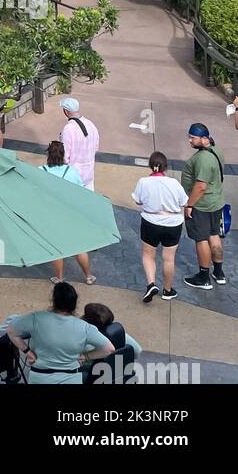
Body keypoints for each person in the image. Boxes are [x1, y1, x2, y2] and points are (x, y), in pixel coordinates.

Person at [5, 281, 114, 384]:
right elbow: (109, 349)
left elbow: (11, 331)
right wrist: (85, 356)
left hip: (40, 377)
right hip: (71, 378)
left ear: (54, 300)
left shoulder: (36, 318)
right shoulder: (85, 327)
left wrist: (28, 352)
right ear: (74, 303)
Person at [132, 151, 188, 302]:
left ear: (151, 166)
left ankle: (151, 284)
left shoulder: (143, 182)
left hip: (150, 222)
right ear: (165, 167)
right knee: (168, 259)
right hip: (172, 223)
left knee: (148, 255)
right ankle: (168, 290)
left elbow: (138, 200)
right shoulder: (174, 183)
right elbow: (184, 202)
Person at [38, 140, 95, 284]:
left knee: (57, 249)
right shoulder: (72, 171)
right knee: (78, 247)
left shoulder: (40, 171)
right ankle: (88, 276)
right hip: (70, 215)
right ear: (63, 155)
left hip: (50, 216)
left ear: (48, 154)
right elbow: (81, 193)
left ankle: (60, 278)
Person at [181, 122, 227, 289]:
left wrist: (189, 205)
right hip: (216, 203)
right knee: (214, 236)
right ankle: (219, 273)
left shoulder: (203, 159)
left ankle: (203, 276)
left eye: (192, 137)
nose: (190, 141)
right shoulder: (216, 151)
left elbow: (201, 186)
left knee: (201, 239)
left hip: (202, 205)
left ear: (204, 138)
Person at [81, 301, 143, 384]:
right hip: (120, 376)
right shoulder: (120, 334)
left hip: (92, 377)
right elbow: (138, 351)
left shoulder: (86, 343)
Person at [59, 97, 99, 190]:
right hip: (89, 175)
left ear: (66, 111)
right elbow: (96, 147)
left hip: (73, 178)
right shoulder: (91, 124)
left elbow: (65, 156)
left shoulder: (68, 129)